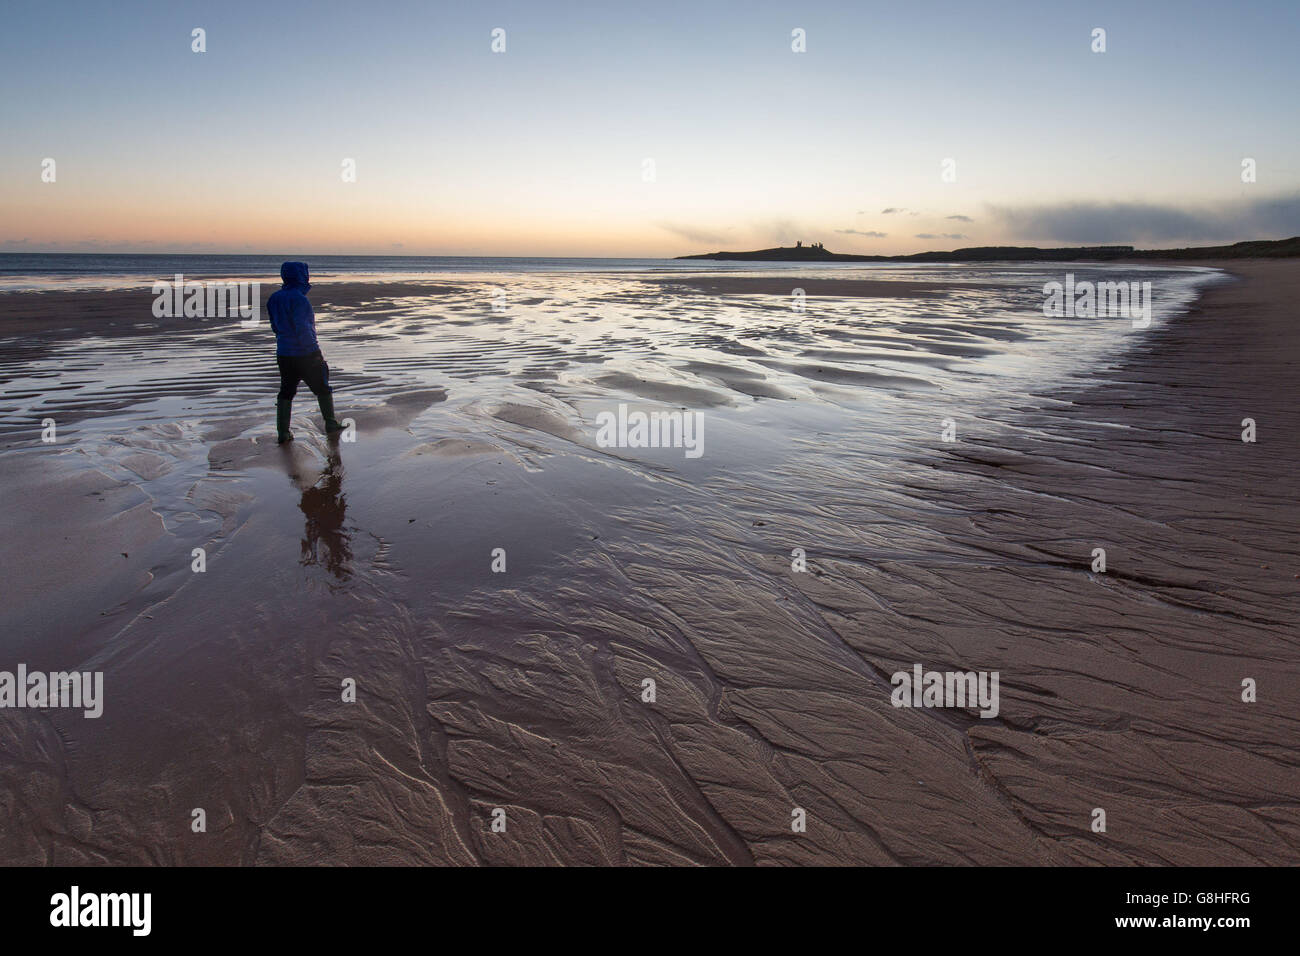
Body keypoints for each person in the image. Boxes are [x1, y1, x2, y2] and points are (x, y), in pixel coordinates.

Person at [266, 261, 343, 443]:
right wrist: (315, 353)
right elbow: (304, 329)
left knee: (286, 391)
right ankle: (330, 423)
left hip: (283, 353)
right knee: (322, 388)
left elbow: (275, 326)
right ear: (302, 277)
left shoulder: (274, 298)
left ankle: (283, 432)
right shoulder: (300, 300)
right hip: (305, 354)